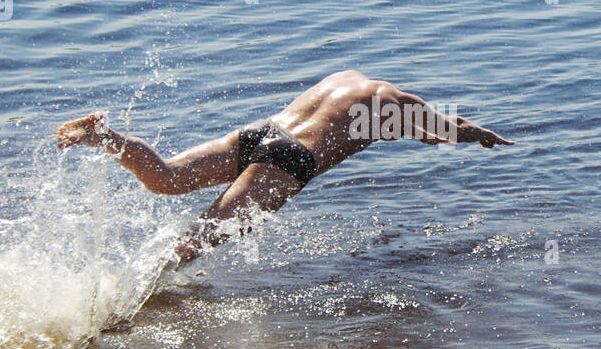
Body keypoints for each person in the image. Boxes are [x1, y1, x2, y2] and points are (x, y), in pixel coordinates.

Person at [56, 69, 513, 262]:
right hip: (291, 160)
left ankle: (105, 135)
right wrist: (481, 136)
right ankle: (130, 302)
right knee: (205, 236)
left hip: (260, 133)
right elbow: (448, 128)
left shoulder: (345, 77)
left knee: (165, 177)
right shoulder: (397, 102)